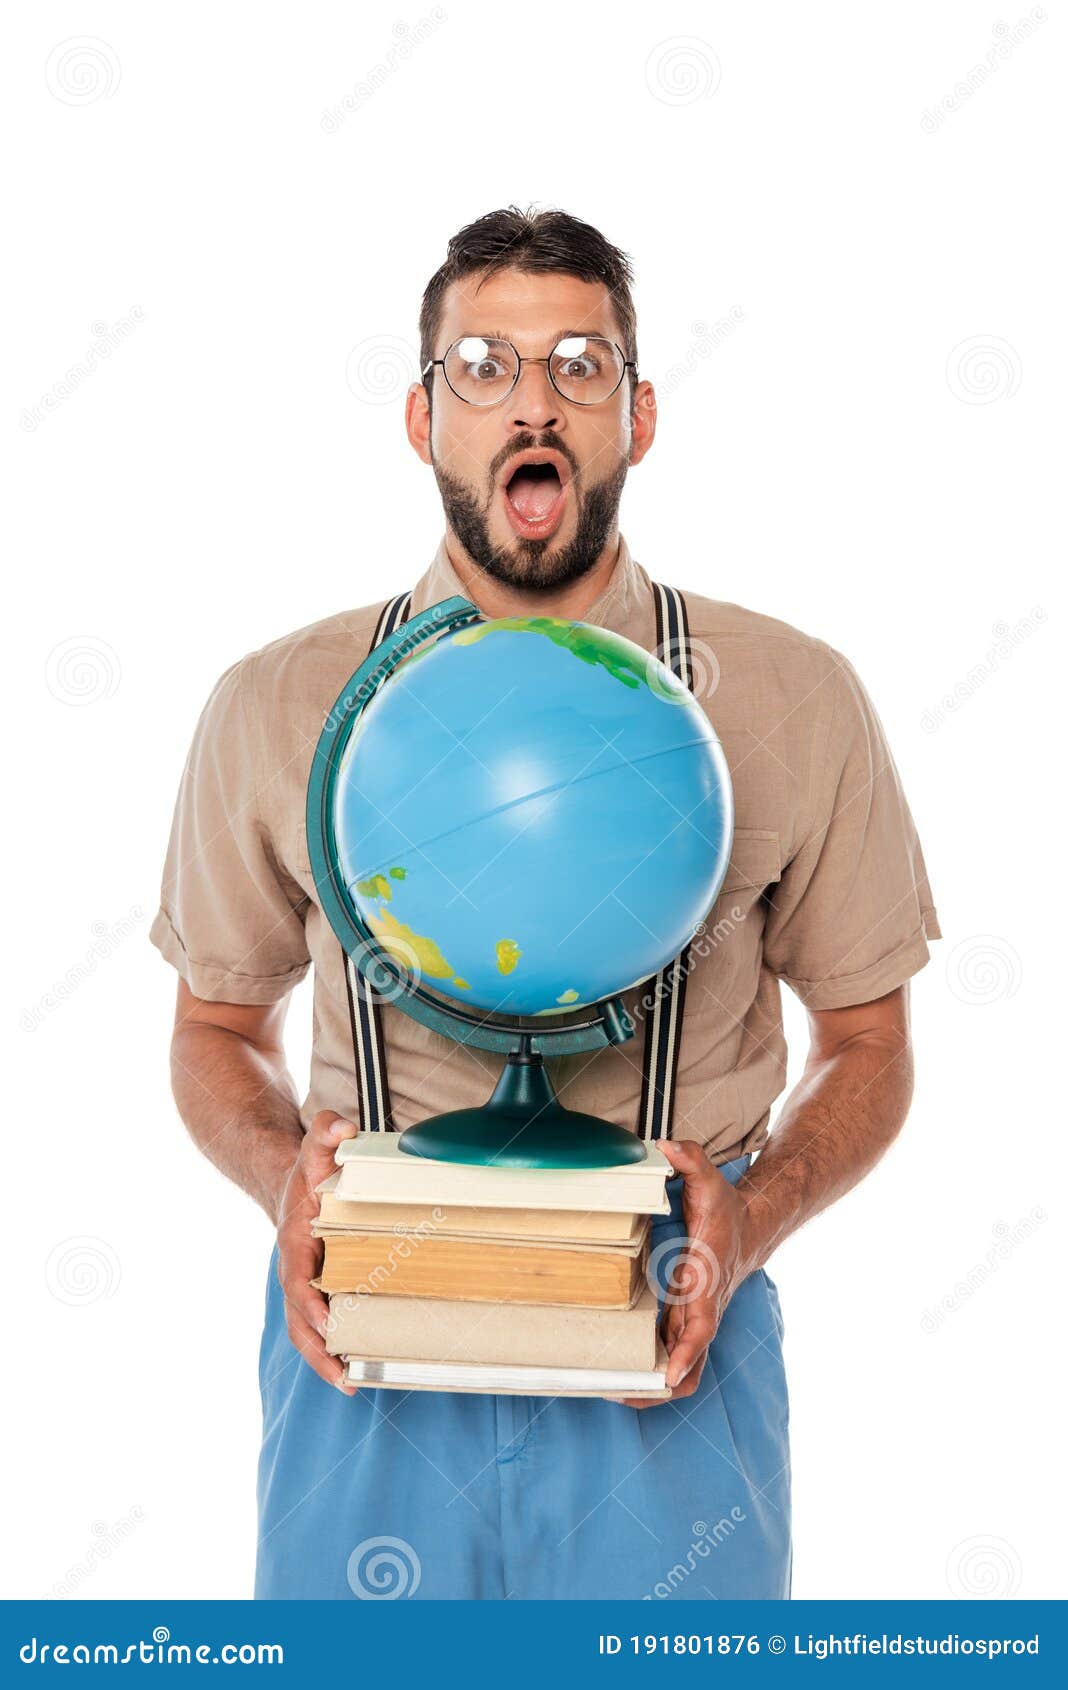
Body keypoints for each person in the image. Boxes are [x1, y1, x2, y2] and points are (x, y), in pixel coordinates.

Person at [151, 207, 941, 1601]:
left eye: (579, 365)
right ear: (420, 417)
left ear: (636, 413)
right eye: (483, 366)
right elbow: (214, 1024)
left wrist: (750, 1222)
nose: (533, 400)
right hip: (366, 1342)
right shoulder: (277, 703)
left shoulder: (791, 694)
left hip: (675, 1356)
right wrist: (291, 1188)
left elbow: (869, 1043)